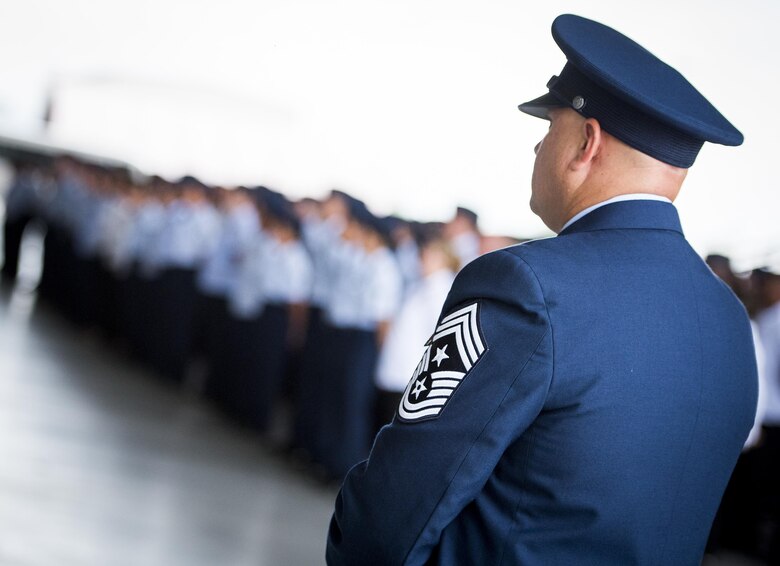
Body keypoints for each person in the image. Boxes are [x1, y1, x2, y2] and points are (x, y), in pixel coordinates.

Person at [326, 14, 758, 565]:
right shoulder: (729, 319)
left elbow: (394, 509)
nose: (537, 147)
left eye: (550, 126)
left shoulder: (525, 286)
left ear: (586, 143)